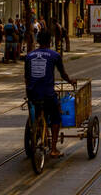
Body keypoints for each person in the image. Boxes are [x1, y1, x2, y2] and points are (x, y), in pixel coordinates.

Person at [23, 29, 77, 160]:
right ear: (50, 41)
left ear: (38, 41)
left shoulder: (29, 56)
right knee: (56, 116)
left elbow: (26, 77)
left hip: (32, 94)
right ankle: (53, 149)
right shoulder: (54, 55)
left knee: (35, 111)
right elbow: (63, 74)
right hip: (48, 94)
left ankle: (36, 126)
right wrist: (70, 81)